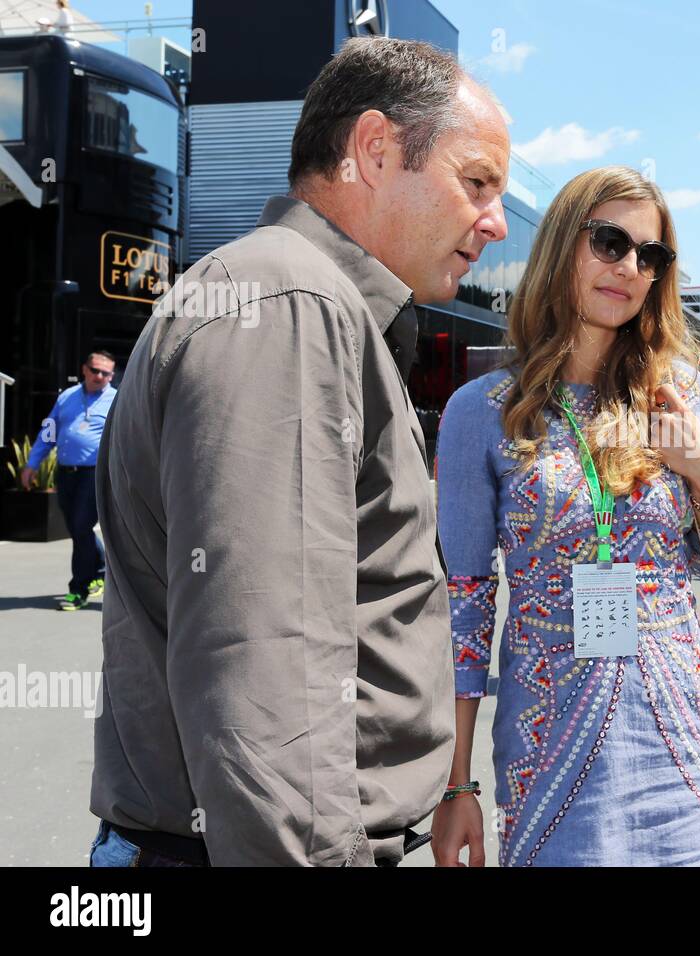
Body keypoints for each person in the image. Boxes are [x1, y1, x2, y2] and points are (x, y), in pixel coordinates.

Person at [89, 38, 510, 866]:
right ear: (375, 151)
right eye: (477, 183)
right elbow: (265, 682)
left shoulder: (303, 300)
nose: (494, 222)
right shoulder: (290, 307)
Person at [432, 166, 700, 867]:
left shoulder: (682, 396)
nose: (630, 267)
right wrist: (458, 784)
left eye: (651, 255)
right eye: (610, 242)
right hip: (551, 748)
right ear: (561, 249)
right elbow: (466, 608)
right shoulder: (481, 412)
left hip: (680, 748)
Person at [20, 350, 116, 611]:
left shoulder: (116, 400)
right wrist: (32, 464)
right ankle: (100, 570)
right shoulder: (67, 397)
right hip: (66, 473)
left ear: (112, 375)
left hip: (94, 474)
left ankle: (79, 589)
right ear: (84, 369)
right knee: (77, 529)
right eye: (95, 370)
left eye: (105, 373)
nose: (99, 376)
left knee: (80, 525)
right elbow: (49, 431)